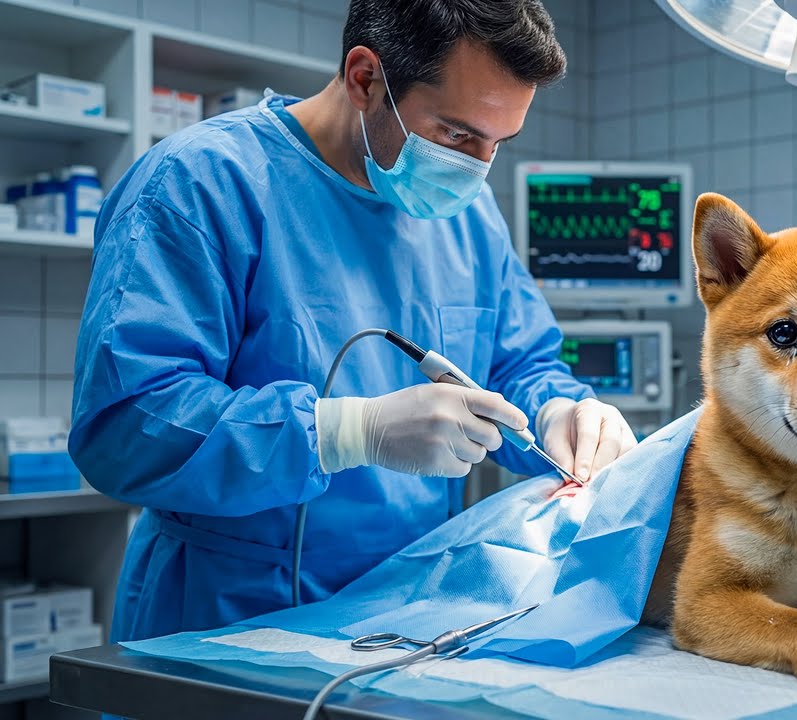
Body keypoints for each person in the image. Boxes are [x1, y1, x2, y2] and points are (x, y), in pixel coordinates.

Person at [69, 0, 636, 643]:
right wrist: (346, 431)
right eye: (457, 134)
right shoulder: (201, 183)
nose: (478, 167)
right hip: (223, 615)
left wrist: (558, 413)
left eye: (497, 143)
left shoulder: (468, 220)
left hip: (408, 609)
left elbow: (518, 367)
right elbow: (128, 422)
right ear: (366, 78)